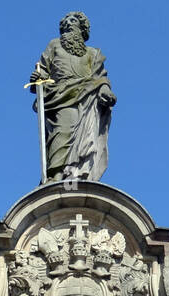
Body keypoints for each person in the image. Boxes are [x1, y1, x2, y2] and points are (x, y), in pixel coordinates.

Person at [29, 11, 115, 183]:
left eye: (73, 20)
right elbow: (43, 69)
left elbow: (101, 76)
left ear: (82, 28)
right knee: (63, 130)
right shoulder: (54, 45)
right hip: (60, 95)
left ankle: (76, 174)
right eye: (66, 22)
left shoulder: (93, 53)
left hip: (88, 96)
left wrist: (105, 89)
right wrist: (38, 79)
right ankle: (56, 174)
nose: (68, 23)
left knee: (86, 138)